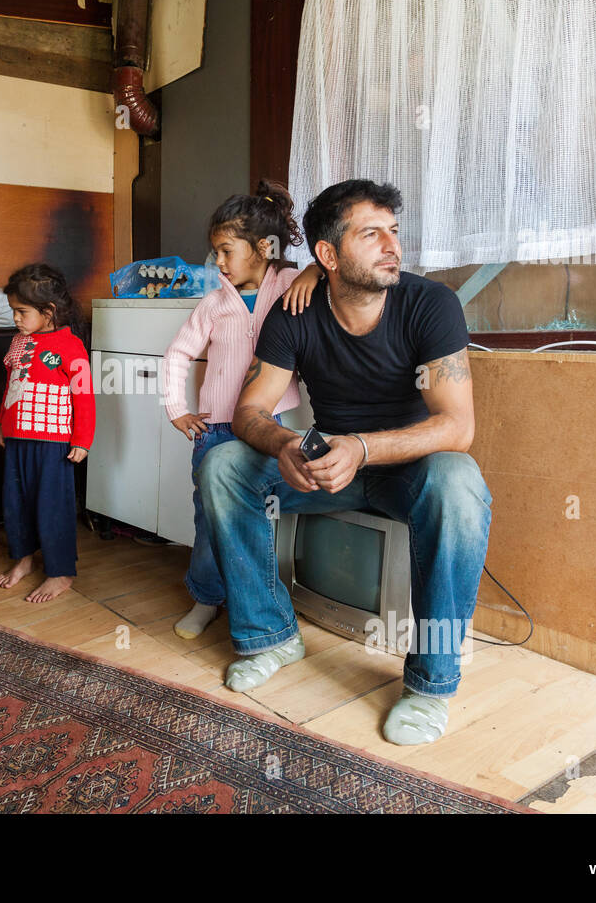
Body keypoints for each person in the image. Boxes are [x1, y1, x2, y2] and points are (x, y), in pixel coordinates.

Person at [199, 179, 492, 746]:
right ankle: (270, 636)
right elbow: (249, 411)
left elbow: (458, 426)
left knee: (459, 479)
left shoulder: (430, 304)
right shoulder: (294, 314)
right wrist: (286, 445)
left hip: (407, 470)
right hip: (326, 465)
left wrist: (362, 448)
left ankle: (432, 683)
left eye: (395, 232)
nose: (393, 247)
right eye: (371, 234)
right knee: (224, 465)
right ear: (328, 255)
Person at [163, 180, 319, 639]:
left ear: (263, 248)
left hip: (273, 428)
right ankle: (207, 598)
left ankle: (253, 598)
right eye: (216, 253)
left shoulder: (289, 286)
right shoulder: (213, 304)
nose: (219, 263)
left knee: (261, 517)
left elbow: (328, 274)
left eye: (227, 251)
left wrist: (309, 274)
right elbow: (177, 355)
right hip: (215, 433)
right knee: (211, 521)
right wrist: (177, 409)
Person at [0, 263, 96, 603]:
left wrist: (82, 439)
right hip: (18, 438)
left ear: (49, 311)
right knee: (16, 502)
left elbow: (84, 395)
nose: (16, 319)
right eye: (14, 312)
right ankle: (23, 559)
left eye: (22, 312)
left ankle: (60, 571)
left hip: (54, 443)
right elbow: (11, 385)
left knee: (52, 506)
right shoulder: (19, 342)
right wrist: (2, 423)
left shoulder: (71, 347)